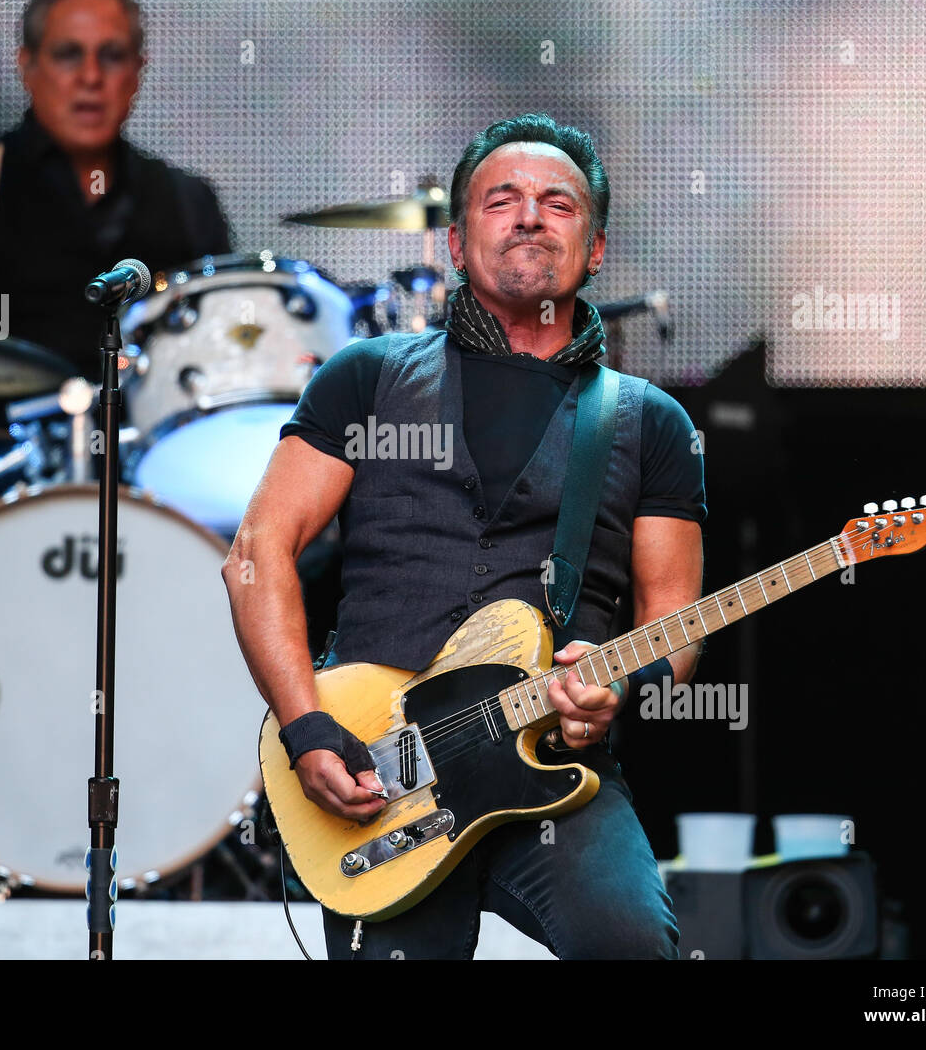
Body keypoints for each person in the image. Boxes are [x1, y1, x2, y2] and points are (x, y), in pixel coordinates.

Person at [223, 113, 705, 960]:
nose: (528, 215)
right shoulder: (366, 377)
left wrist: (617, 688)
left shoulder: (649, 421)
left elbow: (679, 616)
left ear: (595, 250)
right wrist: (304, 728)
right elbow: (258, 554)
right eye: (501, 200)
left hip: (550, 758)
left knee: (634, 946)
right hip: (383, 762)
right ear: (454, 241)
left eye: (558, 203)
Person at [0, 0, 231, 443]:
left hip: (150, 476)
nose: (90, 77)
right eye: (68, 55)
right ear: (27, 66)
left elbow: (221, 360)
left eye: (112, 56)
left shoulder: (189, 202)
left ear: (137, 71)